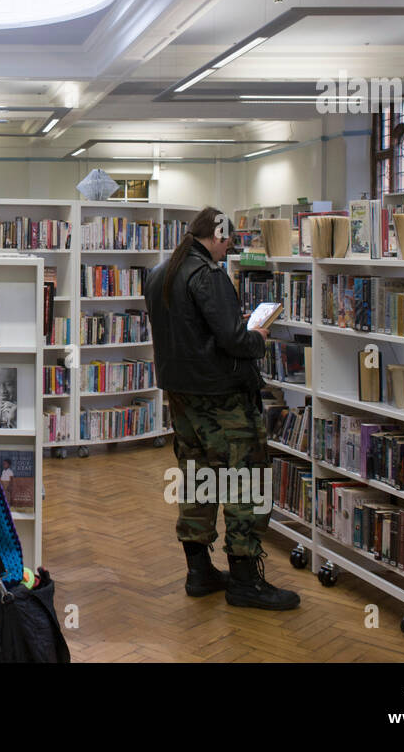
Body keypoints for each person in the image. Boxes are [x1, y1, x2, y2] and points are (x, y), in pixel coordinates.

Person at [144, 206, 300, 611]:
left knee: (197, 479)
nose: (230, 247)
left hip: (181, 397)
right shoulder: (208, 275)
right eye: (228, 240)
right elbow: (233, 342)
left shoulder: (161, 273)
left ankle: (199, 571)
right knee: (245, 482)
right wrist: (258, 335)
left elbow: (193, 331)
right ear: (215, 236)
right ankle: (246, 579)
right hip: (223, 399)